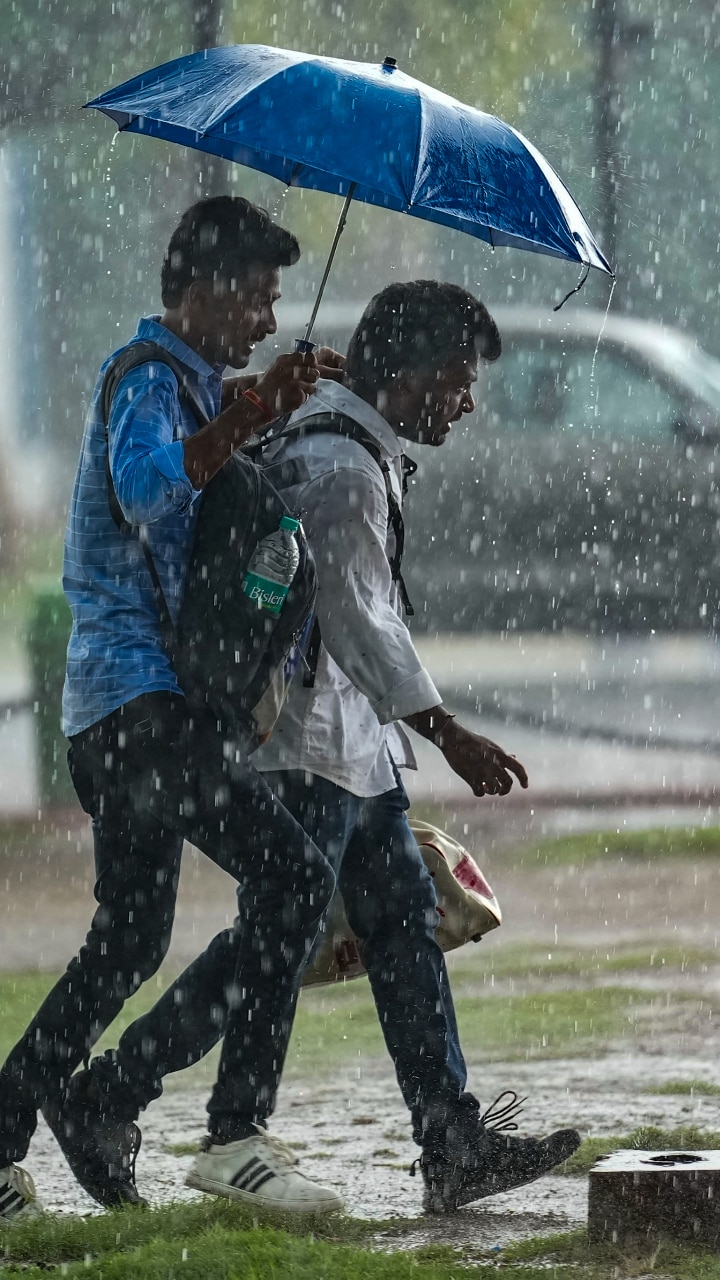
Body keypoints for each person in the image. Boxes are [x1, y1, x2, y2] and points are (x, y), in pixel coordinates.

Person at [52, 281, 581, 1217]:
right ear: (405, 372)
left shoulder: (342, 442)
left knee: (402, 925)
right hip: (309, 741)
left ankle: (448, 1136)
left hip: (349, 742)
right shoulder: (340, 467)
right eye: (456, 382)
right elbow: (355, 617)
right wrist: (447, 731)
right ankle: (120, 1094)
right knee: (278, 940)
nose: (465, 402)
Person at [0, 195, 351, 1222]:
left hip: (124, 716)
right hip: (142, 709)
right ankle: (233, 1132)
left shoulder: (188, 383)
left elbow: (206, 484)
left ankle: (68, 1109)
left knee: (130, 939)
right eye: (255, 295)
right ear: (199, 287)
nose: (266, 315)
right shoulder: (144, 379)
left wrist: (259, 401)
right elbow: (153, 488)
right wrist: (247, 415)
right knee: (292, 875)